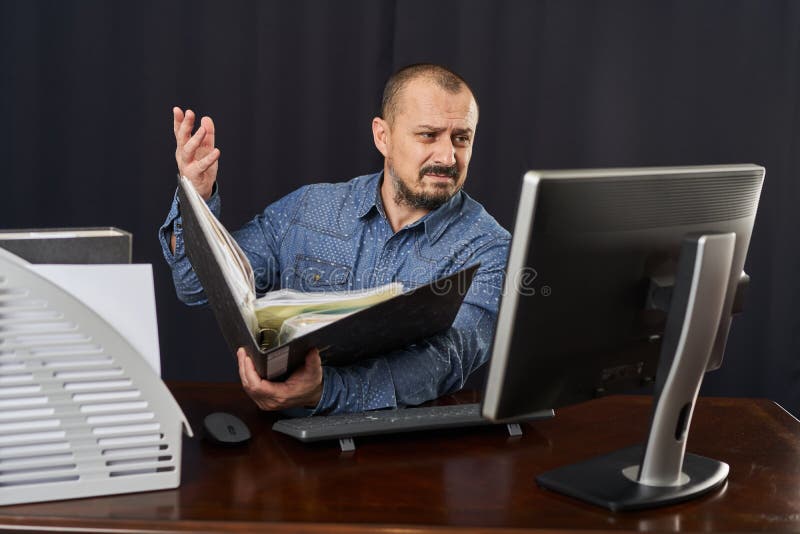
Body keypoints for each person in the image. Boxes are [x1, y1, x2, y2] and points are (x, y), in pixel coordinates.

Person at [159, 63, 510, 415]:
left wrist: (325, 392)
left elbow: (448, 358)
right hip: (287, 447)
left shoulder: (490, 248)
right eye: (428, 135)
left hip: (409, 456)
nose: (448, 156)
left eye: (461, 138)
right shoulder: (308, 209)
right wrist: (196, 199)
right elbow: (196, 286)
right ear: (382, 137)